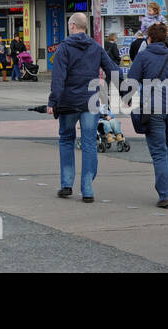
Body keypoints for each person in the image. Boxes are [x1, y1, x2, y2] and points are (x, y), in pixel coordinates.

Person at [47, 12, 119, 202]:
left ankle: (66, 184)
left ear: (72, 26)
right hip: (90, 102)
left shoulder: (64, 48)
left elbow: (58, 78)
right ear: (84, 27)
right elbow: (112, 69)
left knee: (66, 139)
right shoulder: (96, 47)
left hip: (69, 102)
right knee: (89, 143)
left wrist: (53, 101)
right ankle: (87, 189)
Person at [125, 23, 168, 208]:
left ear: (150, 39)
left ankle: (165, 195)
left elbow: (131, 79)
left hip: (153, 110)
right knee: (165, 143)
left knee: (158, 151)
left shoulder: (143, 56)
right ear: (165, 39)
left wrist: (127, 99)